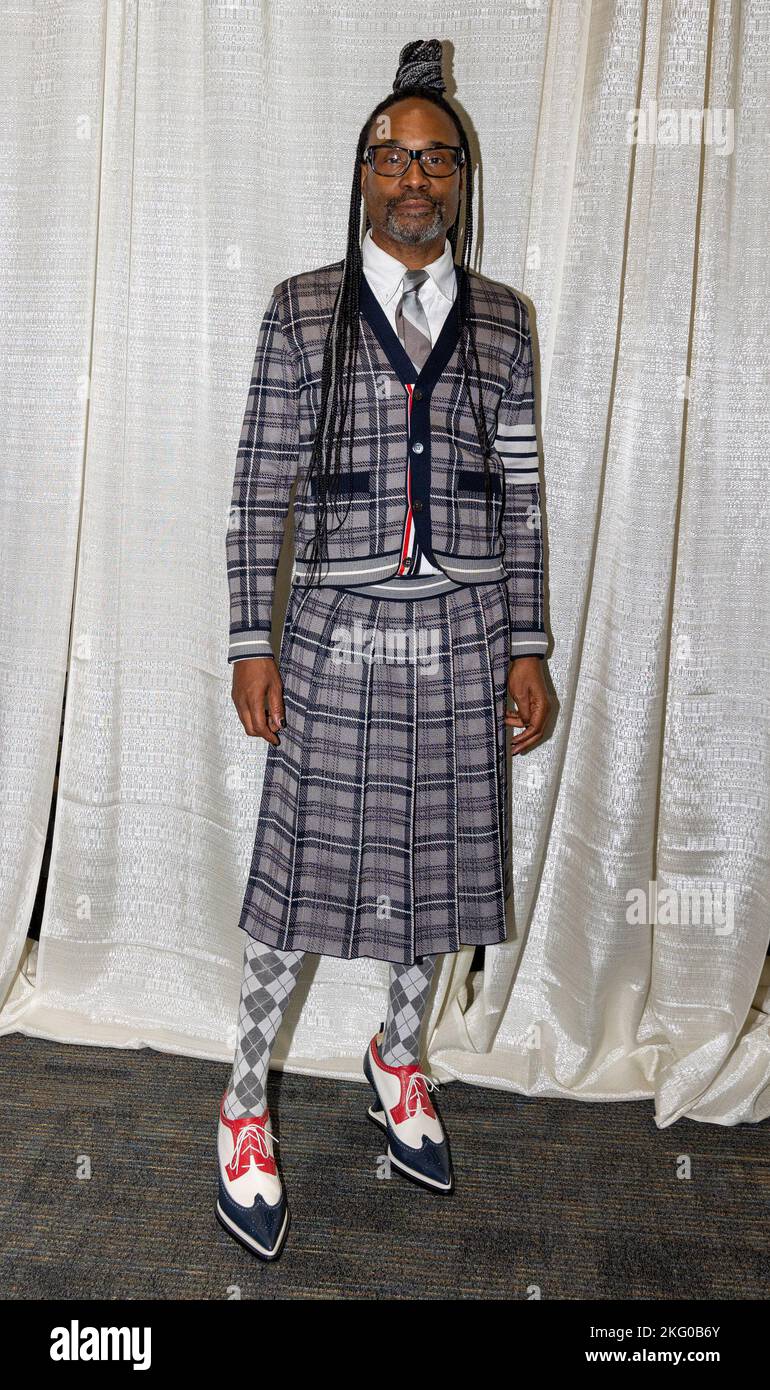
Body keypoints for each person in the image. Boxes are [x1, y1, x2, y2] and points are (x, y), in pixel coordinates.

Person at [218, 38, 551, 1260]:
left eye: (436, 158)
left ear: (460, 179)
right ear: (360, 176)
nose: (414, 177)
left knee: (433, 867)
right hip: (339, 634)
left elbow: (518, 494)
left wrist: (526, 642)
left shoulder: (505, 323)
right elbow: (261, 486)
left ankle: (397, 1056)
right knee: (298, 879)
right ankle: (245, 1096)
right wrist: (254, 638)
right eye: (390, 156)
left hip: (463, 628)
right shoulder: (303, 308)